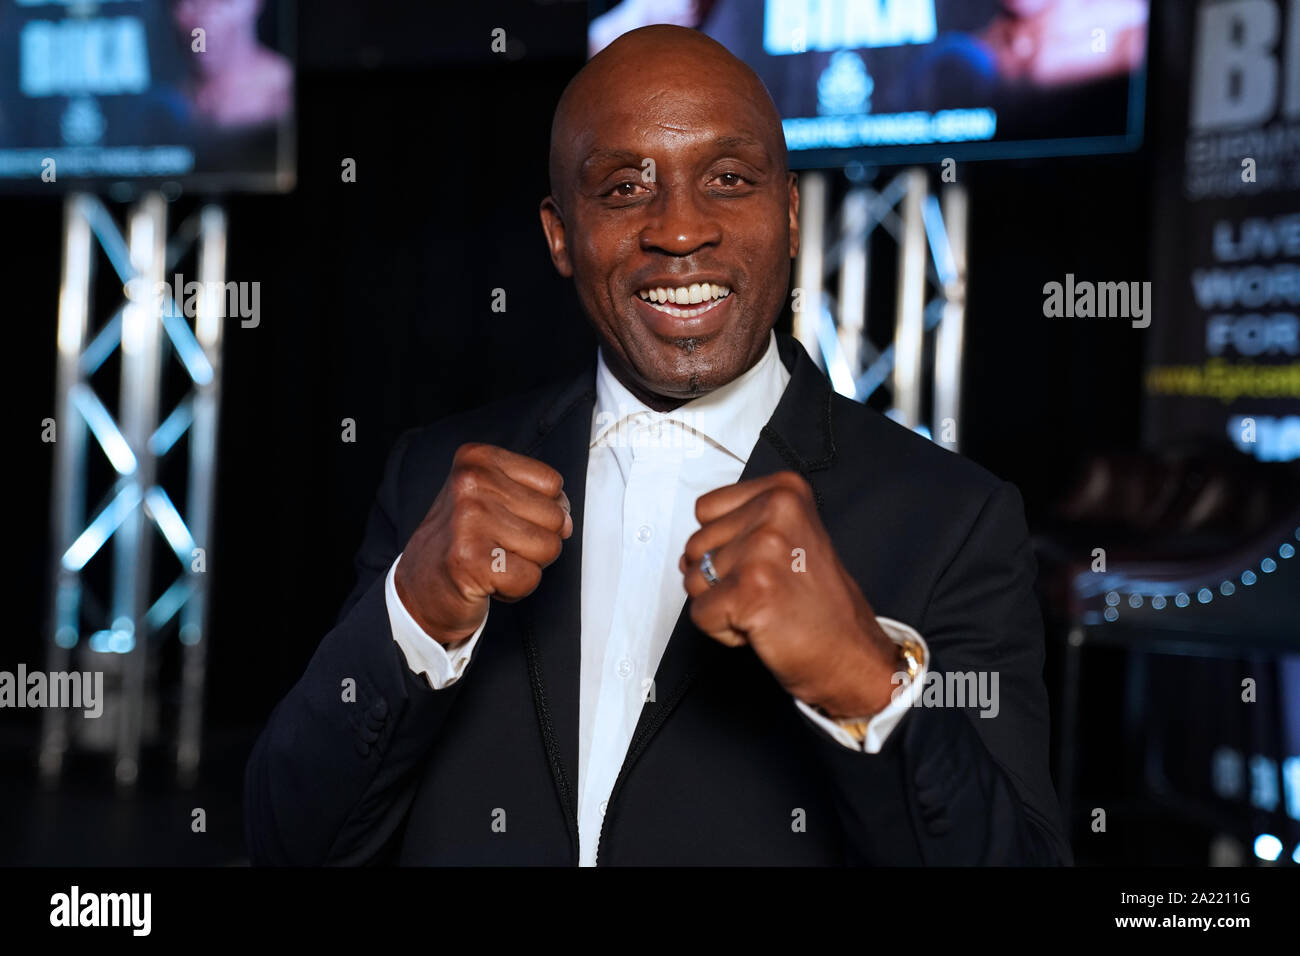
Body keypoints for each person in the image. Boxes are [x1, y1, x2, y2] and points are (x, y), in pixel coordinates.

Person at [245, 25, 1072, 866]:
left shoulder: (953, 519)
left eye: (728, 180)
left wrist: (866, 685)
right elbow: (287, 840)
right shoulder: (434, 475)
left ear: (788, 215)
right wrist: (411, 619)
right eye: (623, 189)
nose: (680, 231)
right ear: (560, 234)